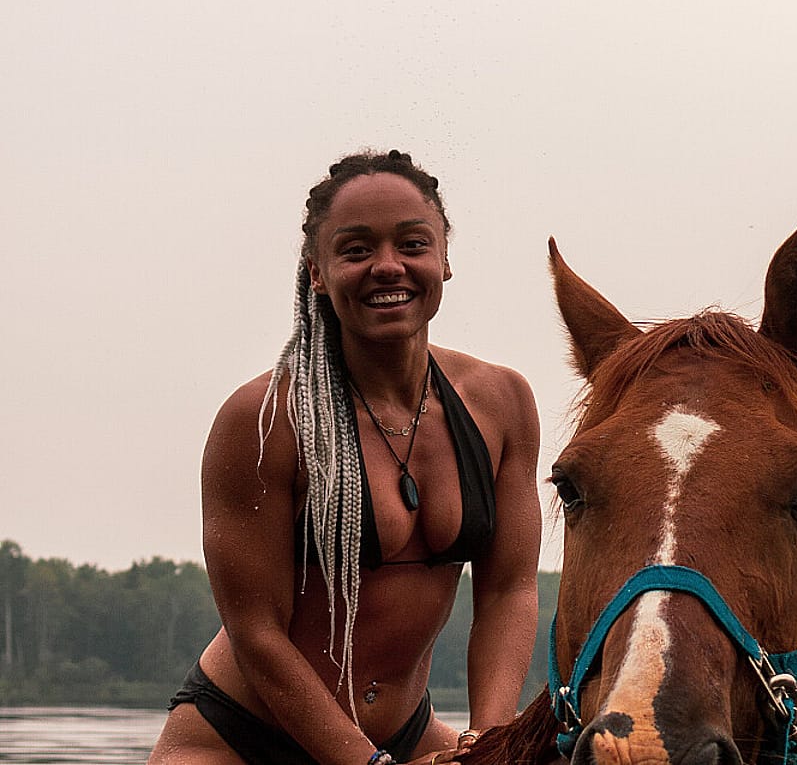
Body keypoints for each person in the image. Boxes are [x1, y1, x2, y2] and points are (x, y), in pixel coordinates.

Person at [150, 150, 542, 765]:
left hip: (410, 737)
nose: (388, 267)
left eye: (412, 244)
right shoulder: (265, 421)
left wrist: (488, 743)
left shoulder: (502, 404)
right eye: (356, 250)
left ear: (444, 258)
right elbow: (257, 634)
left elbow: (509, 591)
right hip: (245, 739)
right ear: (317, 272)